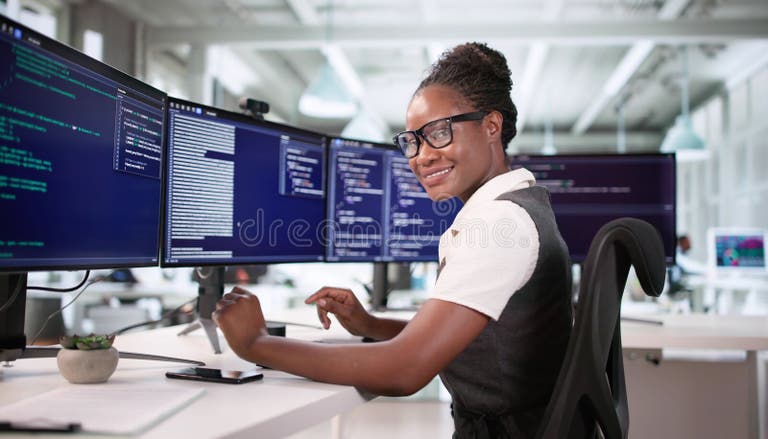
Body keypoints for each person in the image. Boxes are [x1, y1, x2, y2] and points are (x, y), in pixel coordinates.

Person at [213, 42, 573, 438]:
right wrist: (370, 323)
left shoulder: (499, 223)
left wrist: (256, 343)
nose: (421, 156)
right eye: (413, 141)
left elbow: (405, 370)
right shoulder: (521, 205)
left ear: (491, 126)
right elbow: (467, 341)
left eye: (439, 132)